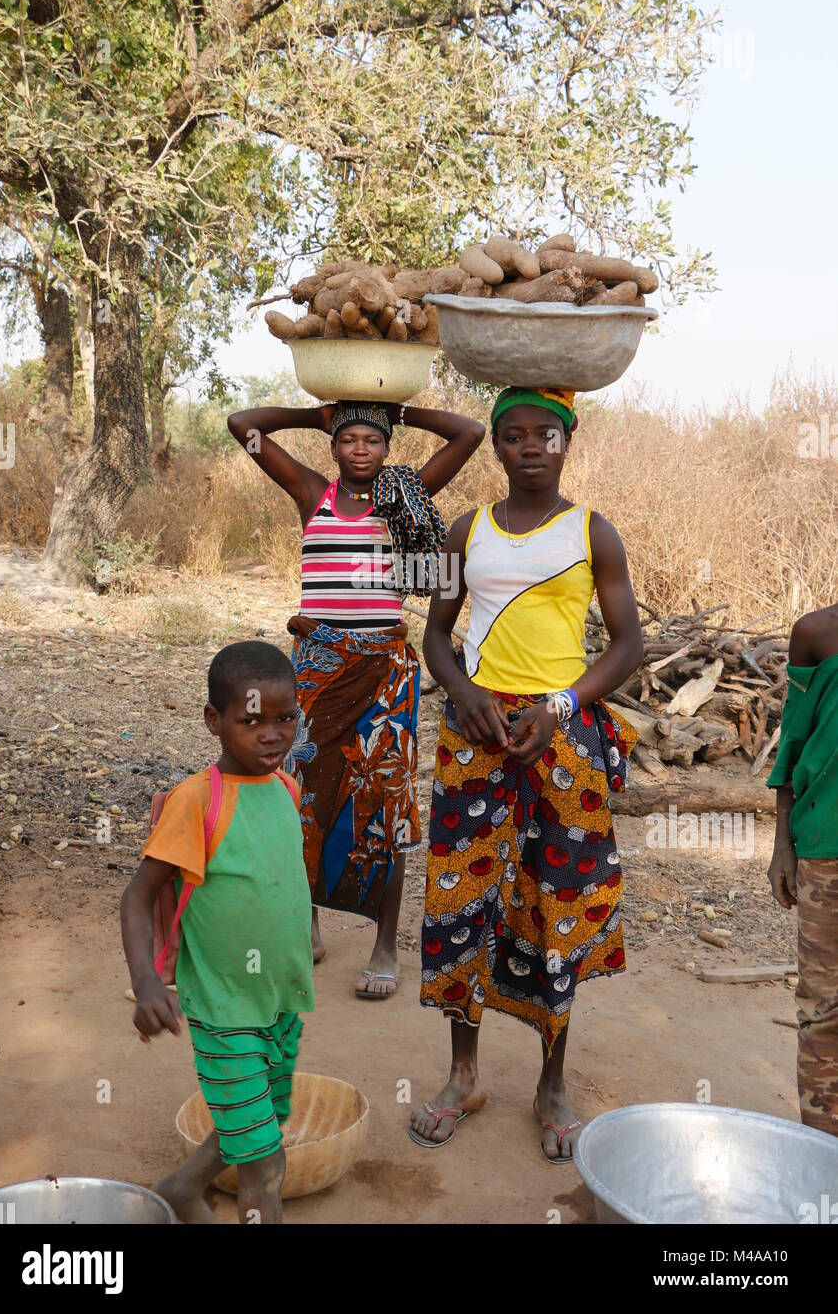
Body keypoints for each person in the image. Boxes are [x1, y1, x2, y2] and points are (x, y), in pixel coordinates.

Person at [409, 386, 643, 1160]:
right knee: (459, 896)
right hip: (476, 734)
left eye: (548, 433)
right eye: (514, 435)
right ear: (499, 448)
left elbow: (625, 647)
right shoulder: (464, 531)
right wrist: (464, 692)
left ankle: (552, 1085)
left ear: (569, 442)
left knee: (558, 903)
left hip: (561, 739)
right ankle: (463, 1074)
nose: (532, 446)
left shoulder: (592, 533)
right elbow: (437, 637)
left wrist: (562, 707)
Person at [228, 398, 484, 999]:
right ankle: (308, 926)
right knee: (303, 794)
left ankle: (384, 945)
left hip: (385, 672)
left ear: (388, 448)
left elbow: (470, 432)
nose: (361, 448)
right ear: (334, 448)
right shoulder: (310, 494)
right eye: (348, 439)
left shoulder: (405, 494)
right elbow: (245, 427)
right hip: (316, 669)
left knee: (384, 801)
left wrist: (399, 410)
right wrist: (315, 414)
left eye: (373, 438)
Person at [120, 641, 312, 1224]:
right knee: (264, 1163)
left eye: (285, 718)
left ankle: (180, 1190)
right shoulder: (197, 800)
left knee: (248, 1125)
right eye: (251, 721)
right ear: (215, 721)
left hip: (279, 1002)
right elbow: (138, 895)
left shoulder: (286, 790)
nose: (272, 735)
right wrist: (147, 984)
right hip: (226, 1009)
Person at [767, 603, 838, 1137]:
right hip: (825, 846)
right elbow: (792, 742)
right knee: (823, 1013)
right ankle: (819, 1159)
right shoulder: (816, 633)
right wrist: (782, 845)